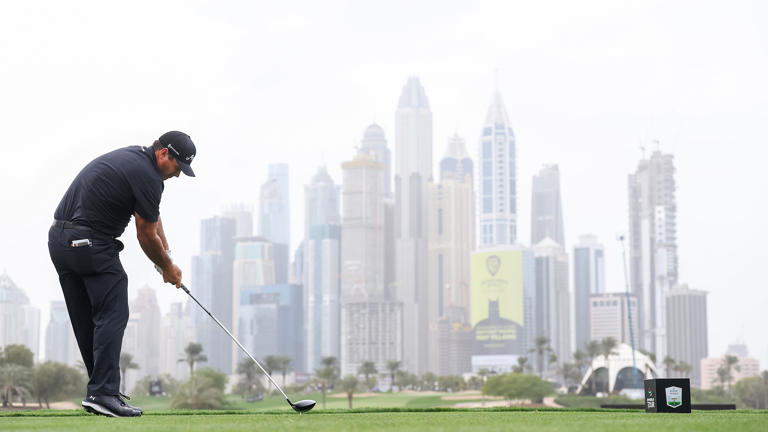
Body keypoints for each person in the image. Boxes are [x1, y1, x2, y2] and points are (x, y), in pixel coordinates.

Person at [48, 131, 196, 417]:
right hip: (90, 243)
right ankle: (103, 393)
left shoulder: (135, 160)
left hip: (60, 243)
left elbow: (152, 218)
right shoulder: (149, 176)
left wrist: (165, 253)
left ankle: (99, 392)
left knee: (88, 317)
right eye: (178, 167)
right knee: (113, 307)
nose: (177, 175)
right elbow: (144, 234)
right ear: (164, 153)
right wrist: (167, 266)